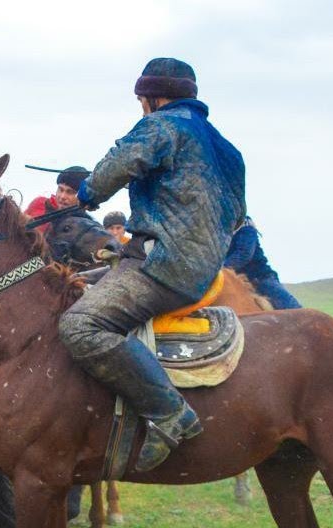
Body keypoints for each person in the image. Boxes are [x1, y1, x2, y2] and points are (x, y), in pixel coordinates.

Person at [61, 57, 245, 472]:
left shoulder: (161, 126)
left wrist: (89, 192)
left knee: (79, 325)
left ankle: (169, 414)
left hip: (161, 265)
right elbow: (235, 216)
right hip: (201, 270)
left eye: (141, 99)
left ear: (151, 97)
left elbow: (117, 167)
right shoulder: (229, 150)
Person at [225, 217, 301, 309]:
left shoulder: (245, 226)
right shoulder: (219, 233)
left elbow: (244, 254)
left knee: (292, 309)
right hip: (234, 281)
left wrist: (219, 268)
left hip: (259, 278)